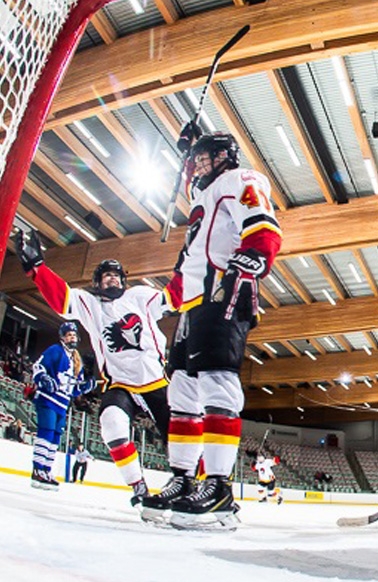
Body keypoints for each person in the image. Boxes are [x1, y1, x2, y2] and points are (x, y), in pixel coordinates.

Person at [153, 129, 282, 530]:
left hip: (224, 291)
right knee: (182, 394)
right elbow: (193, 251)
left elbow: (262, 222)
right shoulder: (202, 196)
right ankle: (184, 478)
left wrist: (258, 253)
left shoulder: (240, 179)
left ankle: (220, 489)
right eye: (198, 161)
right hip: (193, 304)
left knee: (216, 384)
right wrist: (187, 153)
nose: (199, 166)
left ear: (226, 157)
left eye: (206, 158)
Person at [14, 229, 180, 509]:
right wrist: (36, 269)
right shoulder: (89, 304)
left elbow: (173, 298)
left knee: (181, 434)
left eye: (116, 274)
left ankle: (189, 481)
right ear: (97, 283)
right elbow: (62, 299)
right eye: (106, 275)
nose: (112, 278)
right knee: (111, 423)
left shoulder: (139, 296)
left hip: (155, 381)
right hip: (120, 385)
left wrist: (193, 267)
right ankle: (138, 487)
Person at [28, 322, 95, 490]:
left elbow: (73, 389)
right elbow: (38, 367)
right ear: (62, 337)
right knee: (47, 432)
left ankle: (46, 470)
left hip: (62, 404)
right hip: (47, 399)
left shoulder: (76, 359)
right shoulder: (55, 350)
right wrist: (44, 378)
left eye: (73, 335)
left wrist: (86, 386)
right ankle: (37, 470)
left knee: (56, 436)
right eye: (68, 335)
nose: (71, 337)